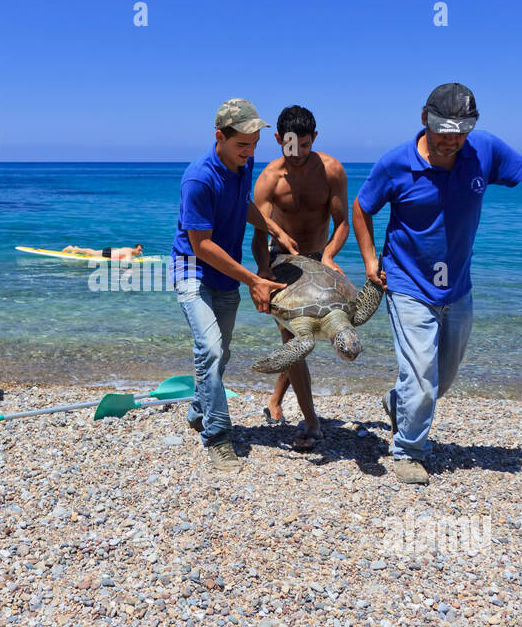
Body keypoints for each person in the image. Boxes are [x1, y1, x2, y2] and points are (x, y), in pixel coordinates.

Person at [354, 83, 522, 484]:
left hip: (457, 287)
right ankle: (407, 452)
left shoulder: (483, 151)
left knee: (441, 378)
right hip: (407, 283)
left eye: (460, 133)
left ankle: (397, 405)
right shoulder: (395, 164)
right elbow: (362, 207)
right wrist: (370, 259)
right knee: (422, 378)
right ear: (424, 119)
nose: (451, 141)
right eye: (443, 132)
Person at [172, 98, 299, 472]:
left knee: (220, 354)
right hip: (193, 270)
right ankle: (217, 435)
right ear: (219, 138)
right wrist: (255, 280)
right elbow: (202, 245)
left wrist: (274, 229)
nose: (250, 152)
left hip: (226, 273)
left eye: (255, 144)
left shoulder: (244, 164)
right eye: (242, 145)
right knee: (209, 350)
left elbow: (242, 203)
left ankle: (199, 409)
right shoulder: (199, 178)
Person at [251, 105, 350, 451]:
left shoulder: (332, 171)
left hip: (319, 262)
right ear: (278, 139)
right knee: (295, 340)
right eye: (289, 147)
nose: (296, 156)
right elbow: (259, 236)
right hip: (284, 268)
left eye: (304, 147)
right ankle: (312, 423)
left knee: (295, 343)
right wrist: (263, 274)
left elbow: (343, 225)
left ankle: (275, 400)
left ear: (314, 139)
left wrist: (329, 255)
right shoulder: (268, 179)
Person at [62, 244, 144, 259]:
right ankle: (72, 248)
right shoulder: (129, 252)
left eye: (141, 251)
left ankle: (77, 248)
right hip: (110, 253)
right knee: (92, 252)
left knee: (92, 254)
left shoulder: (130, 250)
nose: (139, 252)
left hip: (112, 252)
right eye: (139, 250)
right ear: (135, 248)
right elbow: (127, 262)